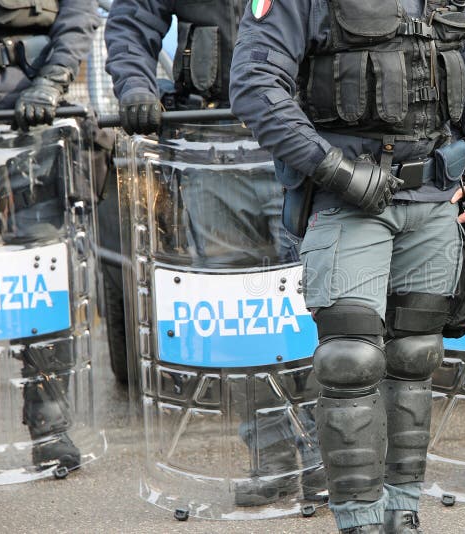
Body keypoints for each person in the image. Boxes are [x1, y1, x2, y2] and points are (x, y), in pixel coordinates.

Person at [229, 0, 465, 532]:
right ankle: (359, 519)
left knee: (416, 355)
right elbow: (255, 85)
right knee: (349, 361)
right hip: (347, 201)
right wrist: (334, 170)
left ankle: (403, 511)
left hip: (432, 200)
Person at [104, 0, 322, 506]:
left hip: (301, 139)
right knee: (239, 315)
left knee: (317, 303)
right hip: (210, 145)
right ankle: (271, 455)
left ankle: (324, 452)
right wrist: (136, 86)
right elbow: (133, 18)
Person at [0, 0, 100, 471]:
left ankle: (50, 426)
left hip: (32, 127)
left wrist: (51, 81)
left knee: (41, 282)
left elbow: (78, 17)